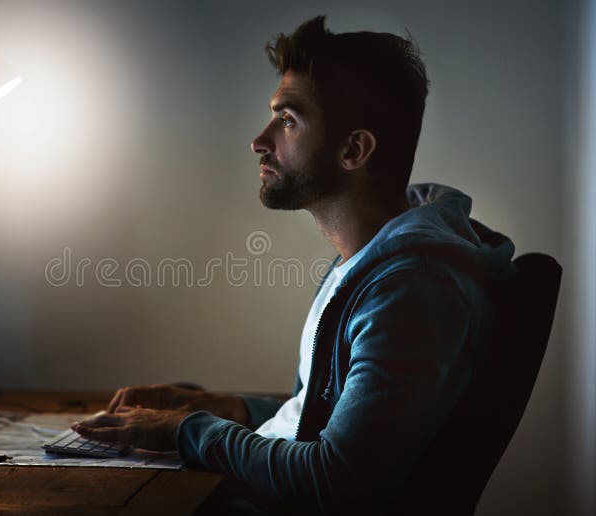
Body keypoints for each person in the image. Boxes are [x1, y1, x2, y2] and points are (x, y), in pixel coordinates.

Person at [72, 15, 514, 514]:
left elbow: (334, 479)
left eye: (287, 120)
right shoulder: (370, 264)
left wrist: (188, 432)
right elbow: (321, 420)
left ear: (353, 149)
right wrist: (229, 410)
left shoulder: (410, 292)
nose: (260, 141)